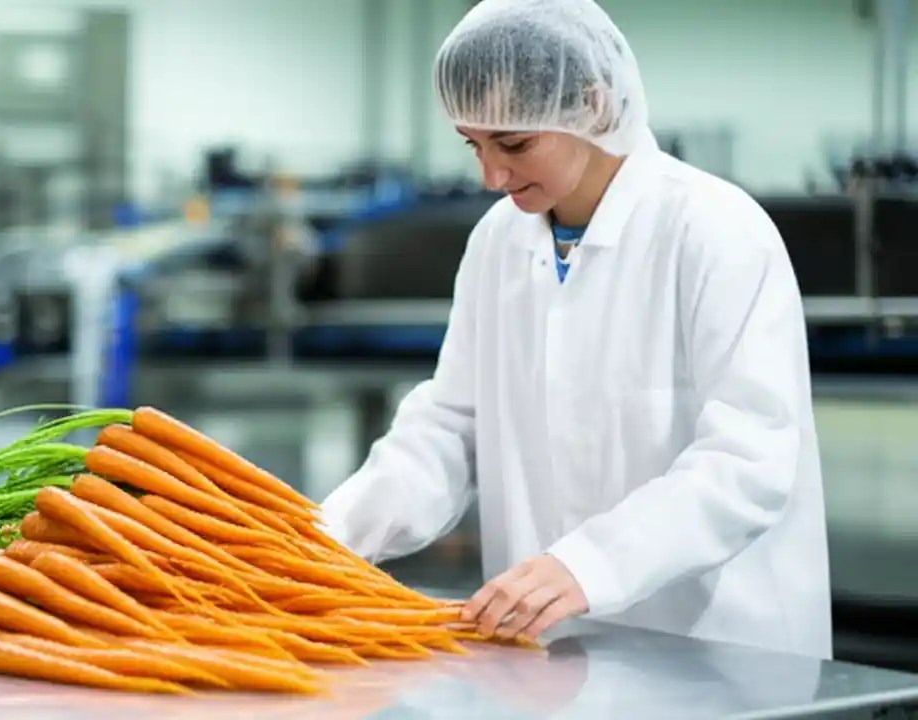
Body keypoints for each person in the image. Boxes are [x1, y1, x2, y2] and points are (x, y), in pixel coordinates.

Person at [319, 0, 831, 659]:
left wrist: (591, 564)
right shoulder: (498, 243)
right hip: (554, 659)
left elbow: (748, 460)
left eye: (515, 143)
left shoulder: (716, 232)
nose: (491, 176)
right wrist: (329, 530)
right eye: (474, 144)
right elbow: (450, 429)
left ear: (593, 104)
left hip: (720, 653)